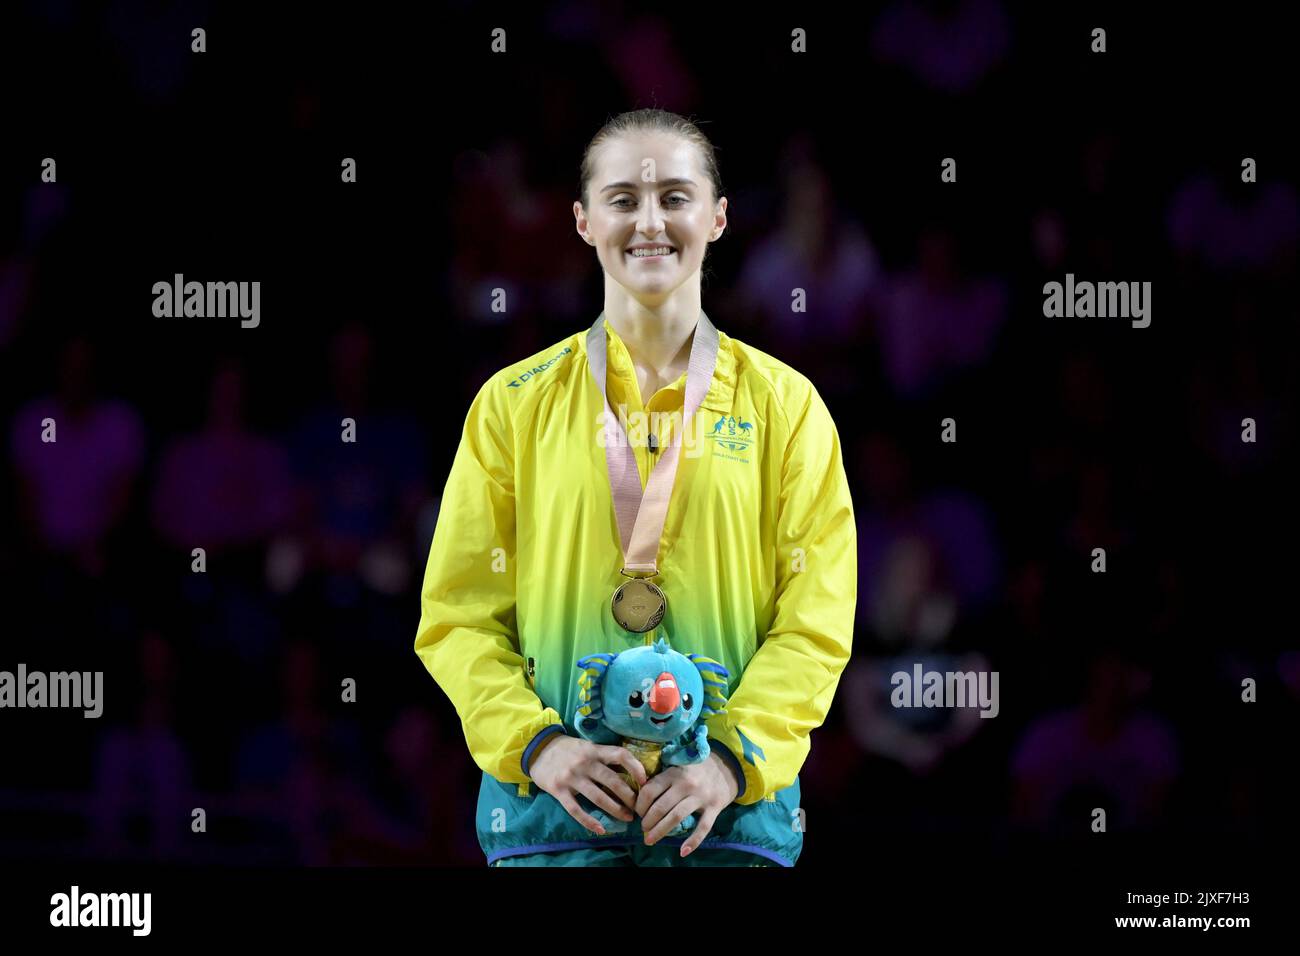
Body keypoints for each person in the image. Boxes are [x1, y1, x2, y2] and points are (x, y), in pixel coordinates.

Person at [415, 109, 857, 866]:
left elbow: (815, 621)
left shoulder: (788, 409)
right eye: (623, 199)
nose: (650, 221)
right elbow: (458, 616)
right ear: (584, 221)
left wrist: (730, 761)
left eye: (675, 197)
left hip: (726, 826)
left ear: (717, 217)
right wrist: (539, 746)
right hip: (555, 823)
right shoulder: (510, 406)